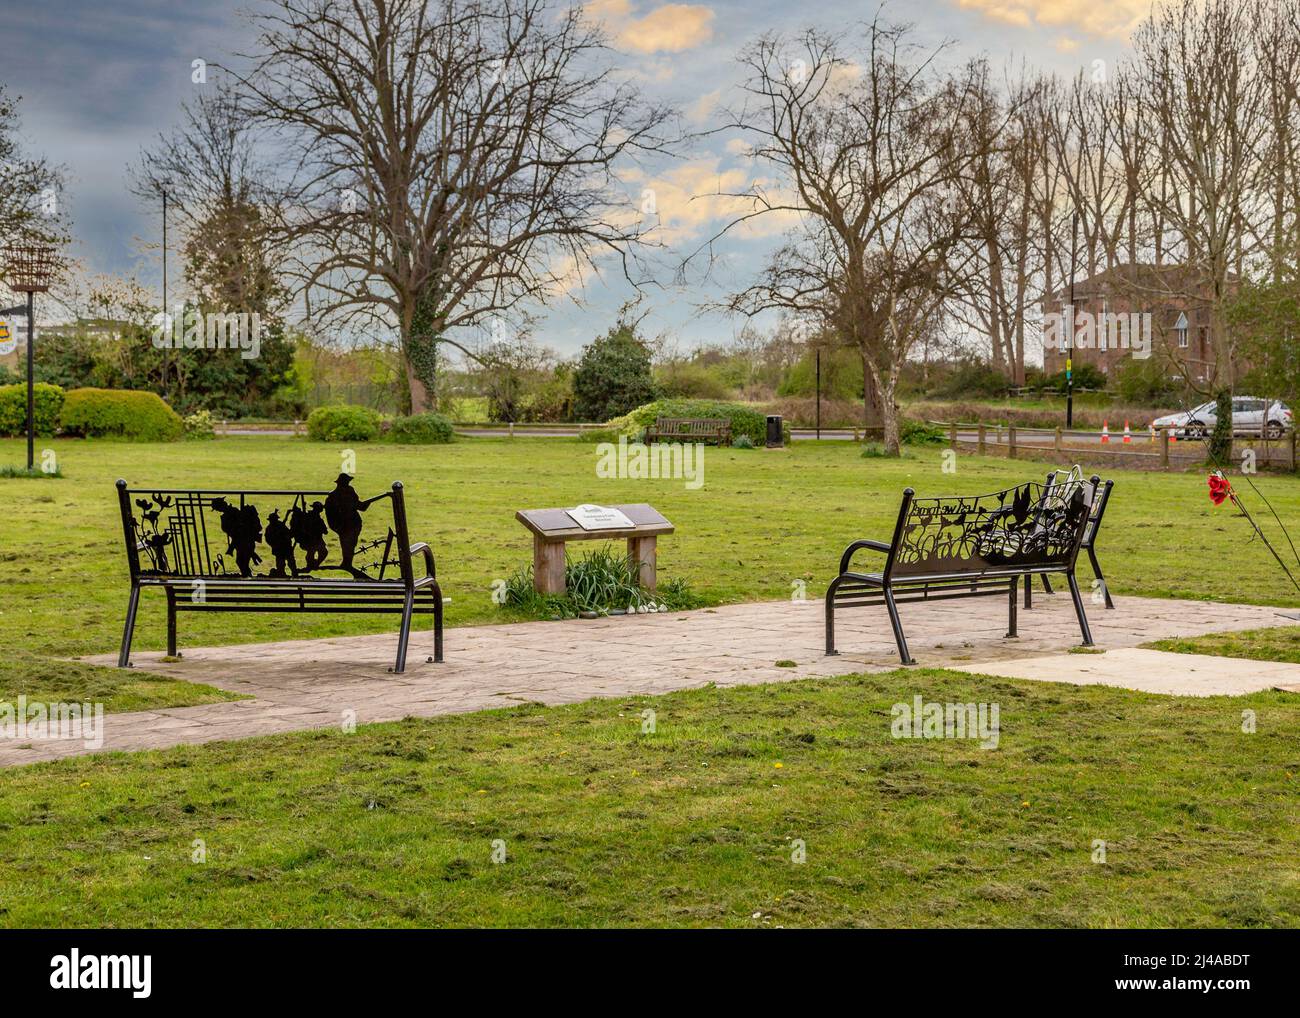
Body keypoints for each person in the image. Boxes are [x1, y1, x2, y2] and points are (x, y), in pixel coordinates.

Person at [323, 474, 385, 577]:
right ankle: (347, 564)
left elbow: (359, 505)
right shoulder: (339, 495)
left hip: (352, 524)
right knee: (348, 544)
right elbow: (360, 506)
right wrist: (337, 527)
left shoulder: (345, 492)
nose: (348, 484)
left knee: (350, 544)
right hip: (346, 525)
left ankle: (347, 563)